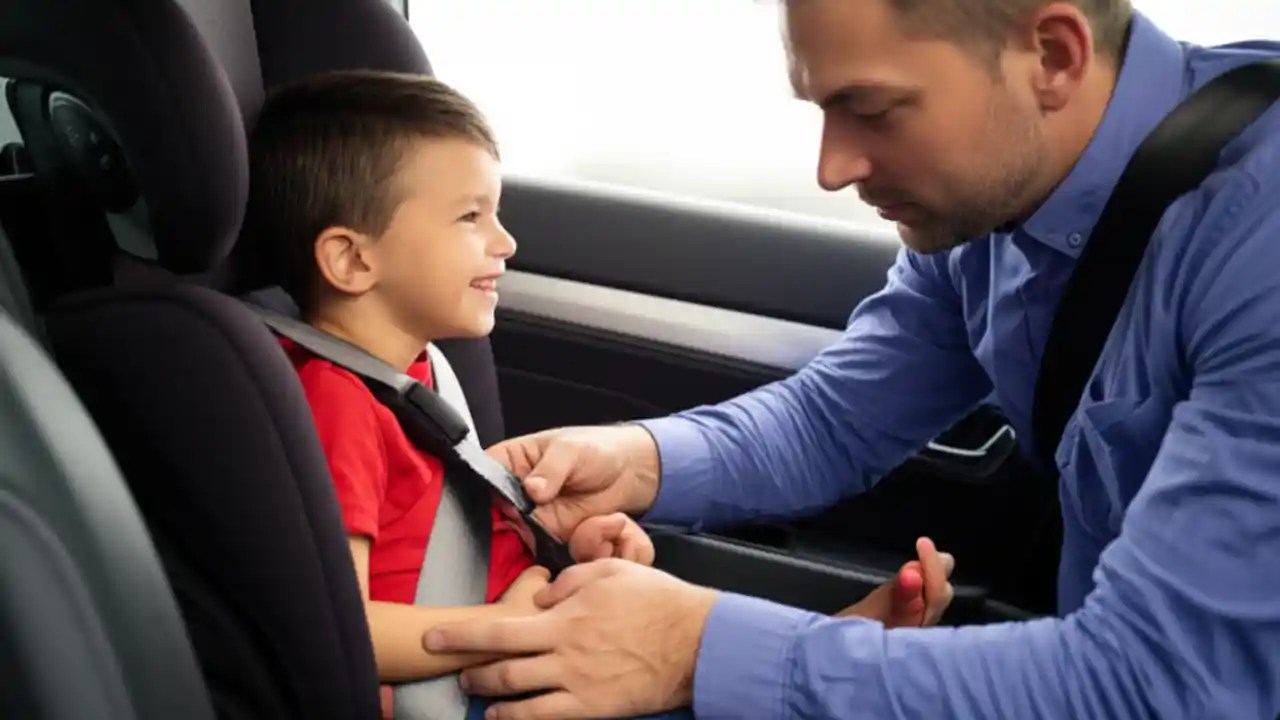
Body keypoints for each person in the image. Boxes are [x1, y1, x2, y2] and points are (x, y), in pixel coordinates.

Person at [422, 2, 1280, 719]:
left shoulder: (1257, 238)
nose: (833, 169)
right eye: (822, 109)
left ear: (1052, 57)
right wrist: (636, 462)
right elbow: (840, 417)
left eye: (873, 110)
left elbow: (1162, 684)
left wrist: (692, 649)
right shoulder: (989, 204)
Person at [240, 70, 959, 719]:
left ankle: (822, 668)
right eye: (471, 218)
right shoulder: (335, 404)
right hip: (457, 692)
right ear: (351, 258)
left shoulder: (417, 374)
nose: (506, 242)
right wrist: (513, 628)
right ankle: (822, 672)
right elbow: (342, 629)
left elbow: (429, 535)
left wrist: (566, 551)